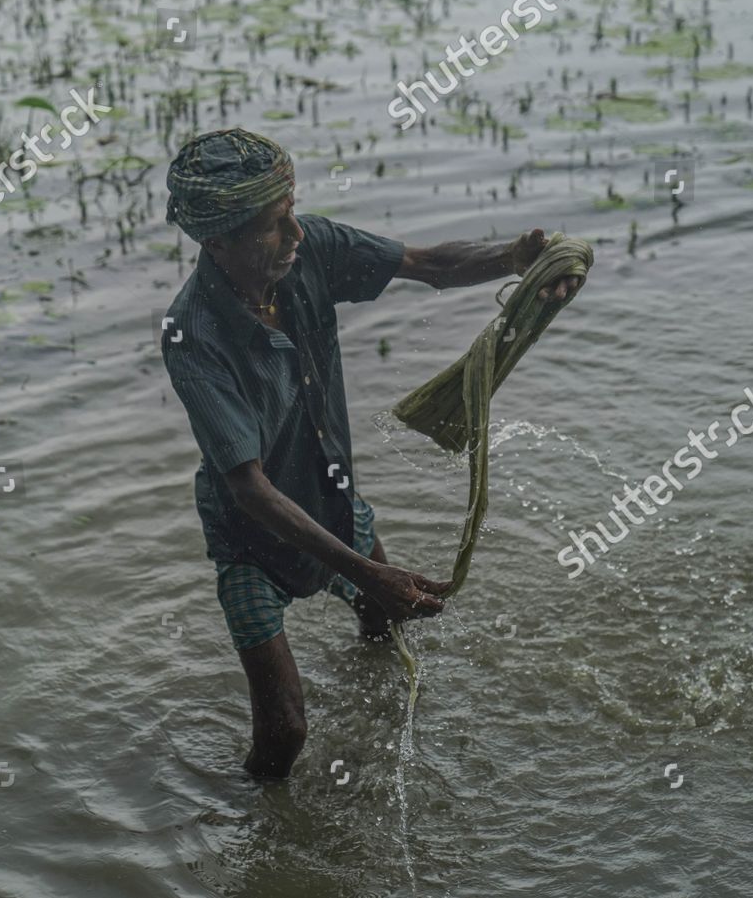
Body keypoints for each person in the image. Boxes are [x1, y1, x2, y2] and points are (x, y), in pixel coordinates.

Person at [159, 128, 582, 779]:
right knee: (286, 729)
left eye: (293, 212)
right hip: (252, 541)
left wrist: (514, 259)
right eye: (275, 226)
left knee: (386, 634)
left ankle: (367, 752)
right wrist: (366, 570)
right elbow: (248, 488)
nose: (296, 234)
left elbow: (428, 264)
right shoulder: (193, 335)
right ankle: (249, 825)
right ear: (219, 242)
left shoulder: (310, 253)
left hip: (332, 503)